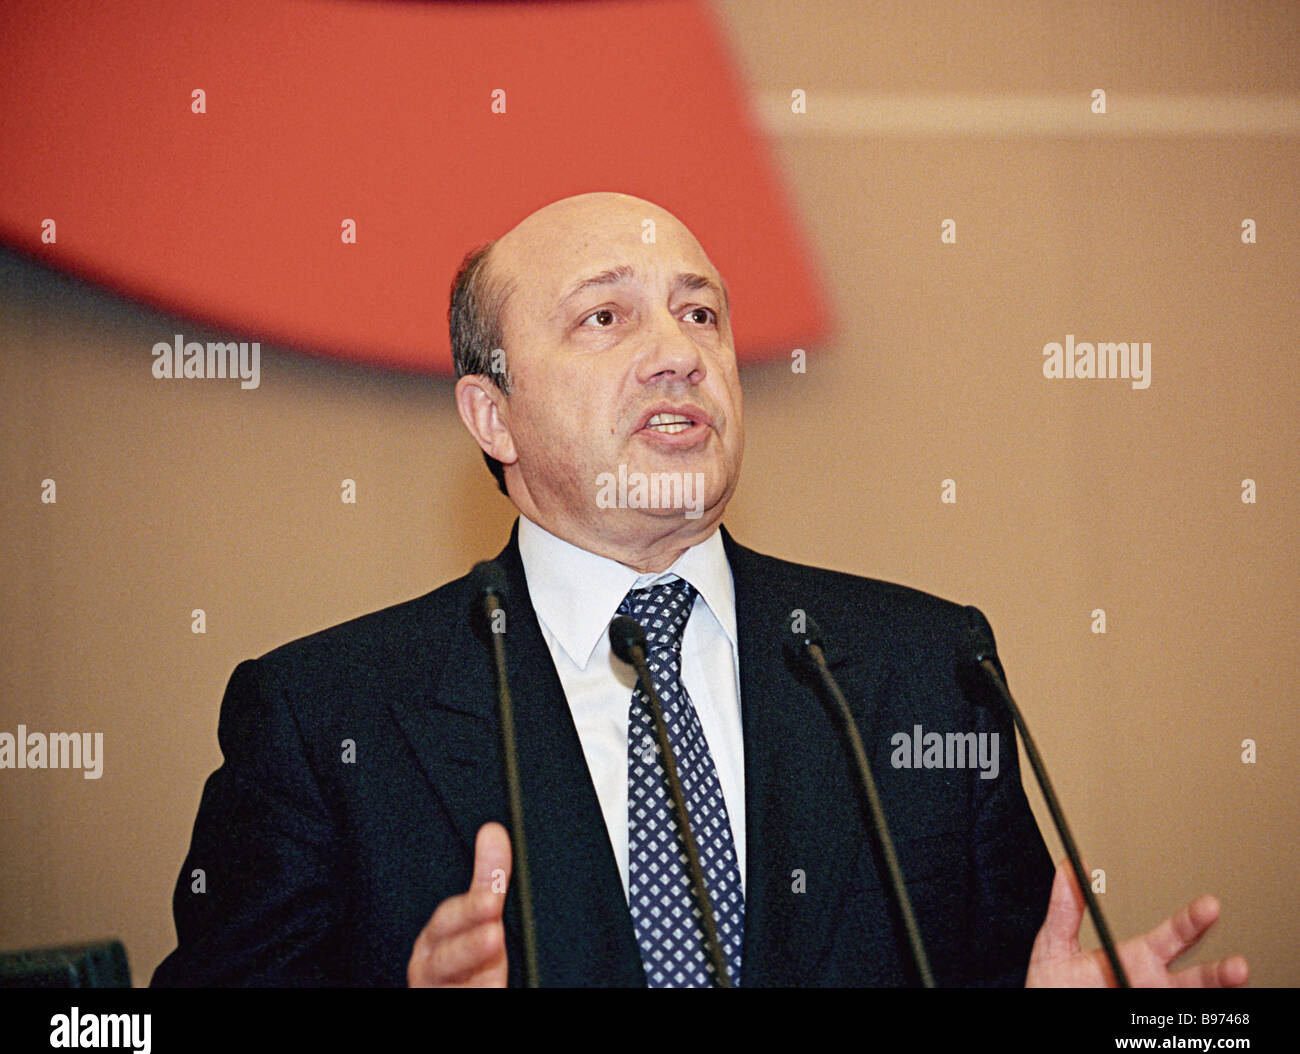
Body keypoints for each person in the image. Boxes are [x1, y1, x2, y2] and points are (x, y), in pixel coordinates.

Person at [153, 192, 1248, 989]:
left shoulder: (925, 670)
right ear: (491, 415)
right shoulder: (322, 715)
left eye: (701, 314)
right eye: (606, 317)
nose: (677, 353)